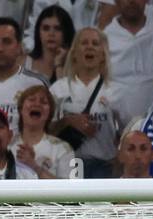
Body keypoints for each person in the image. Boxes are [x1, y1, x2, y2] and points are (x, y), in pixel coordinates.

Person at [50, 27, 123, 179]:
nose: (89, 47)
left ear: (103, 55)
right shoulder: (58, 88)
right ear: (74, 53)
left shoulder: (115, 91)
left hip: (103, 166)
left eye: (95, 43)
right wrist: (67, 121)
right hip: (67, 166)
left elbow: (125, 133)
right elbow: (46, 132)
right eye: (84, 43)